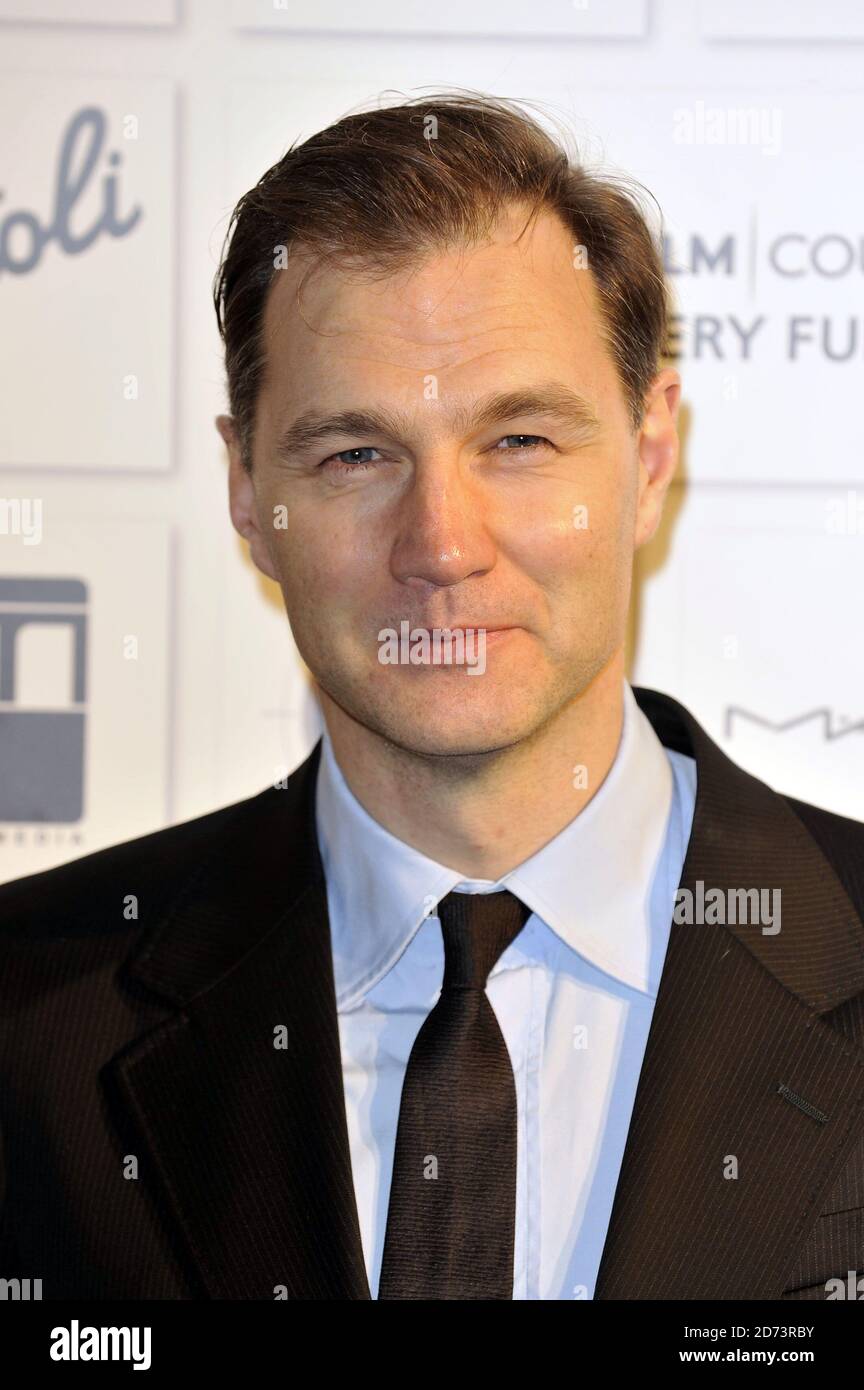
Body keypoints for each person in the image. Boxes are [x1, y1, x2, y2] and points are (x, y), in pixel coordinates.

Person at [1, 91, 863, 1302]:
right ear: (250, 495)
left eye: (518, 441)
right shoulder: (30, 1017)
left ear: (651, 457)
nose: (441, 543)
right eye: (356, 453)